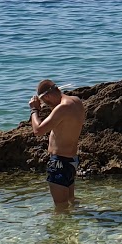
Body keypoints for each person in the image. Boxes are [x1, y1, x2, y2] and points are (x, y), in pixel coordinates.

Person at [29, 79, 85, 209]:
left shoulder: (62, 108)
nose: (45, 105)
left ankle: (63, 230)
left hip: (59, 162)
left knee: (60, 209)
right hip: (72, 160)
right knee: (71, 202)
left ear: (48, 96)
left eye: (45, 101)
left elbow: (38, 130)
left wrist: (34, 110)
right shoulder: (76, 101)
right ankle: (78, 228)